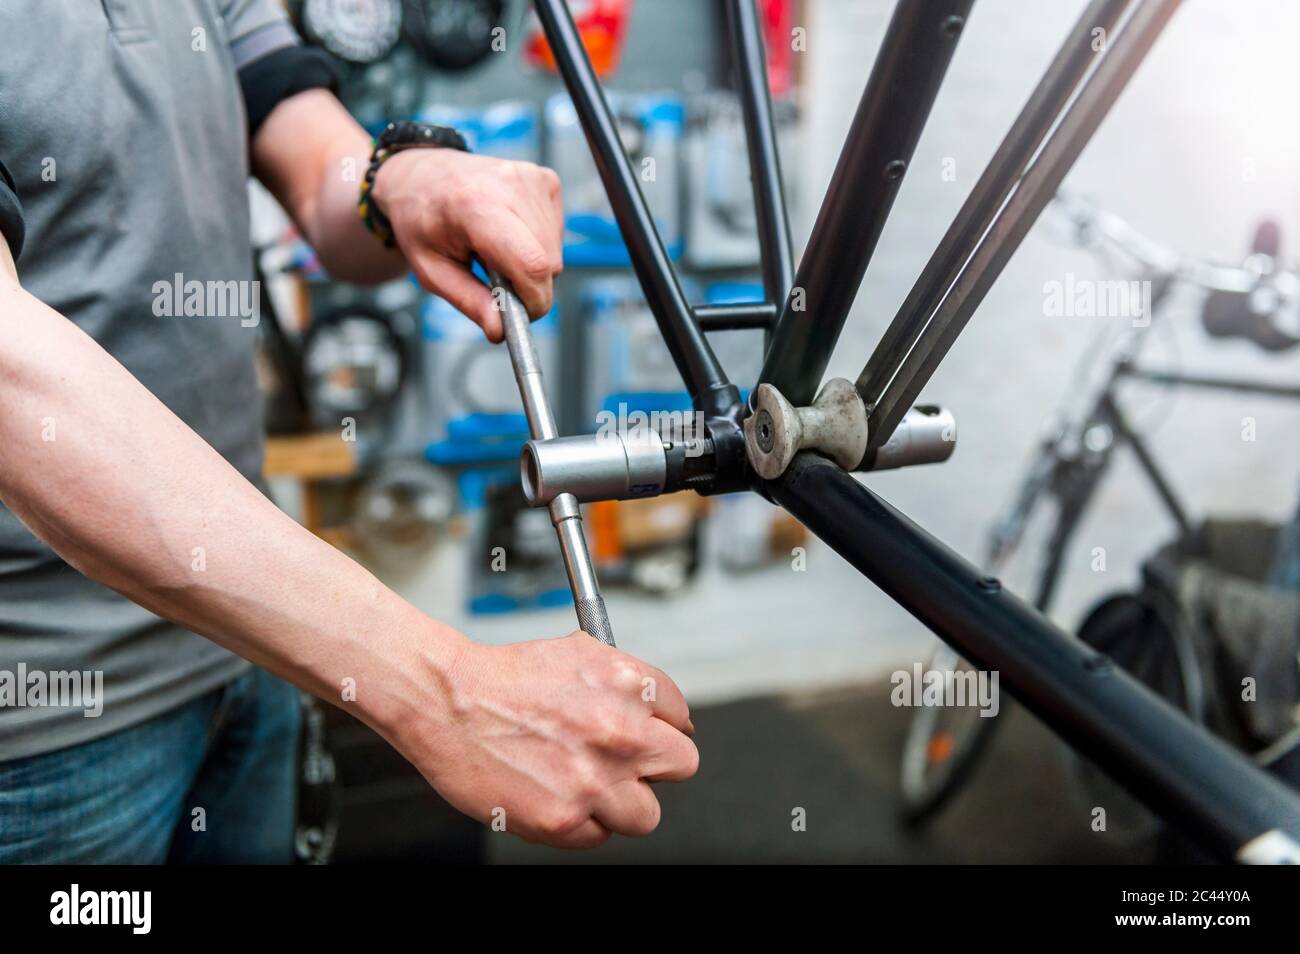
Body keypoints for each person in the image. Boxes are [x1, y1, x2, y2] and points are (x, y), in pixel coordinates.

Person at [0, 0, 697, 863]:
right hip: (38, 731)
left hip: (251, 644)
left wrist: (406, 180)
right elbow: (10, 379)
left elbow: (316, 160)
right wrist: (442, 694)